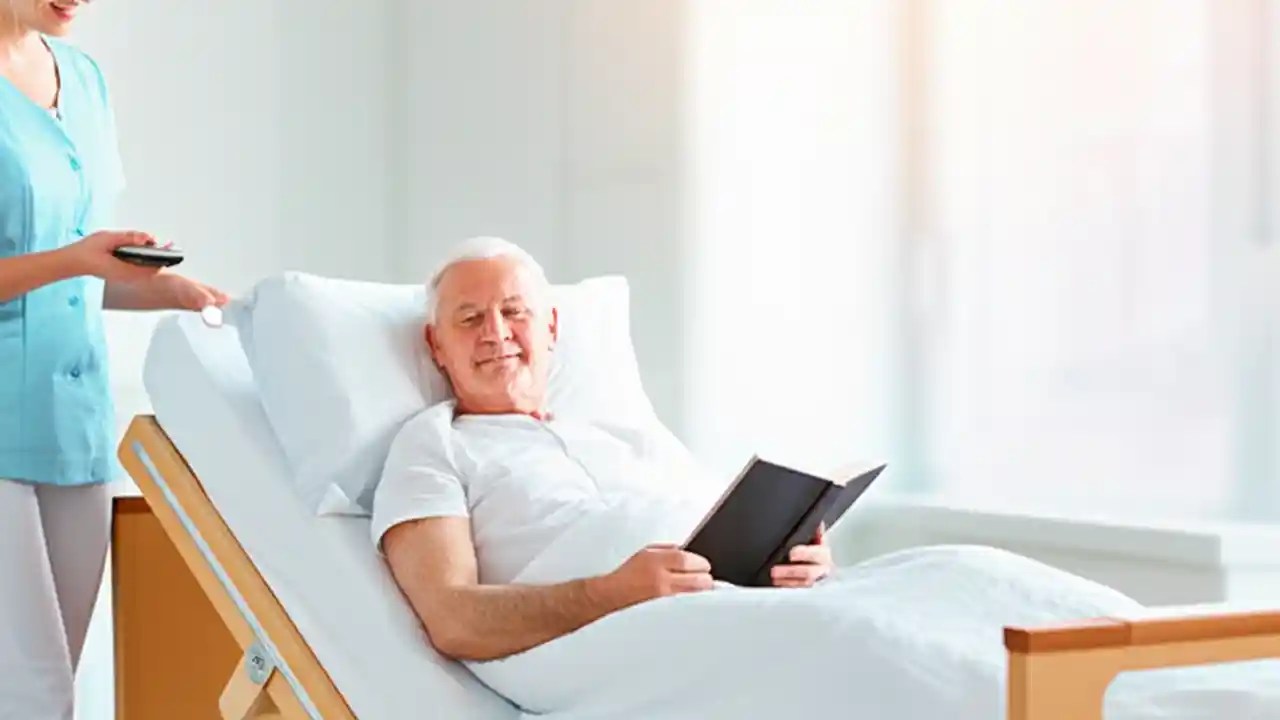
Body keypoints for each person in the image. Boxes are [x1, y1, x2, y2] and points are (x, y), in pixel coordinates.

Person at [372, 237, 833, 663]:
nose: (496, 333)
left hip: (746, 604)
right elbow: (455, 619)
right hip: (644, 640)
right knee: (853, 647)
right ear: (436, 346)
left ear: (550, 327)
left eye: (514, 311)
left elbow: (714, 521)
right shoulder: (433, 444)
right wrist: (610, 593)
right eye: (470, 319)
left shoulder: (622, 431)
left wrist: (789, 559)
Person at [0, 1, 227, 716]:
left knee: (53, 686)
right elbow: (66, 260)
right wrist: (76, 258)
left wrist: (174, 292)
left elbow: (77, 274)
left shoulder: (86, 81)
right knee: (31, 693)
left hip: (76, 423)